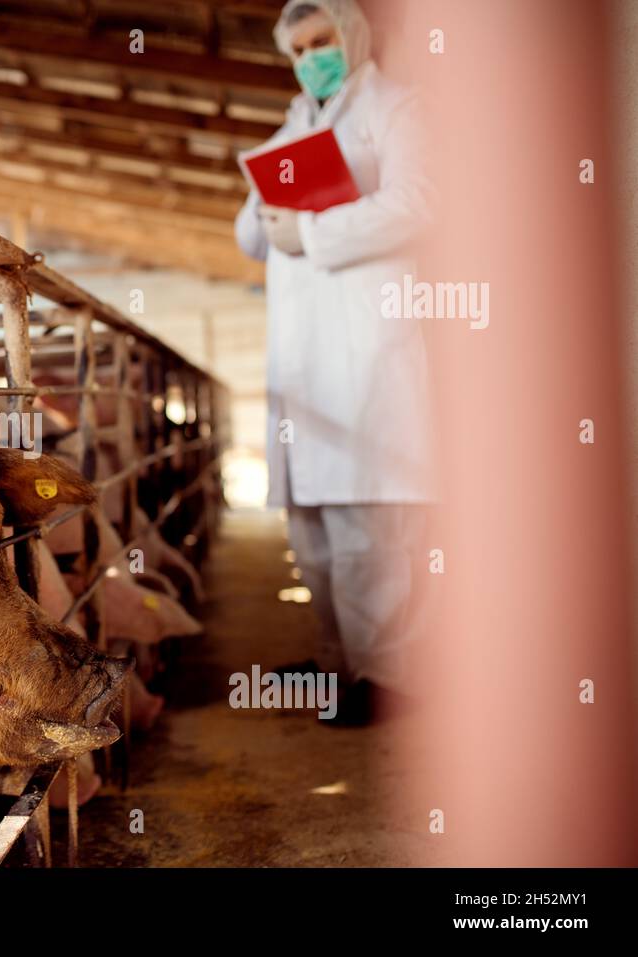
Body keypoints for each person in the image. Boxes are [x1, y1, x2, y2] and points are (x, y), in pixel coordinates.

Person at [234, 0, 435, 725]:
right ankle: (335, 663)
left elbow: (422, 199)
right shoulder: (294, 127)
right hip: (305, 356)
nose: (313, 55)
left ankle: (388, 673)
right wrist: (269, 215)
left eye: (323, 40)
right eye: (300, 47)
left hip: (367, 351)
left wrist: (313, 230)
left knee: (366, 533)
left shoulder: (396, 109)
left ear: (351, 36)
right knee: (310, 529)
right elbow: (248, 235)